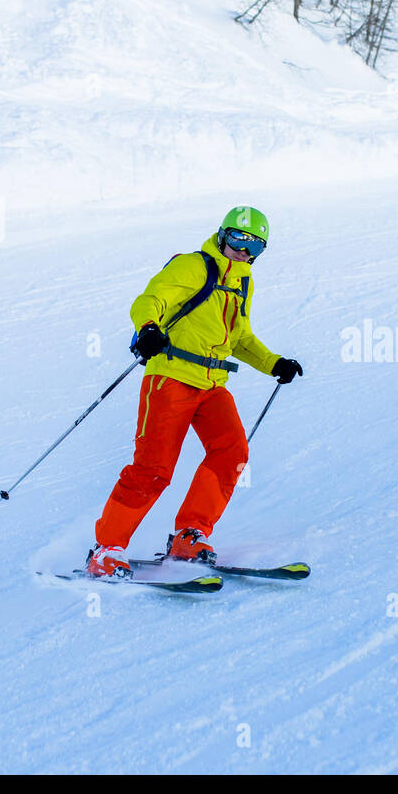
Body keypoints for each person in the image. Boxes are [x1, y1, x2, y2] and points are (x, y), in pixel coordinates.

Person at [86, 206, 303, 578]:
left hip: (212, 384)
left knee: (232, 451)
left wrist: (273, 363)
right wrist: (149, 327)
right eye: (237, 238)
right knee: (153, 469)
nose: (242, 250)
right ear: (222, 235)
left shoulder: (242, 283)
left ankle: (191, 534)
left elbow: (239, 338)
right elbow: (148, 301)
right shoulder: (192, 266)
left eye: (254, 247)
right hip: (170, 376)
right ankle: (107, 549)